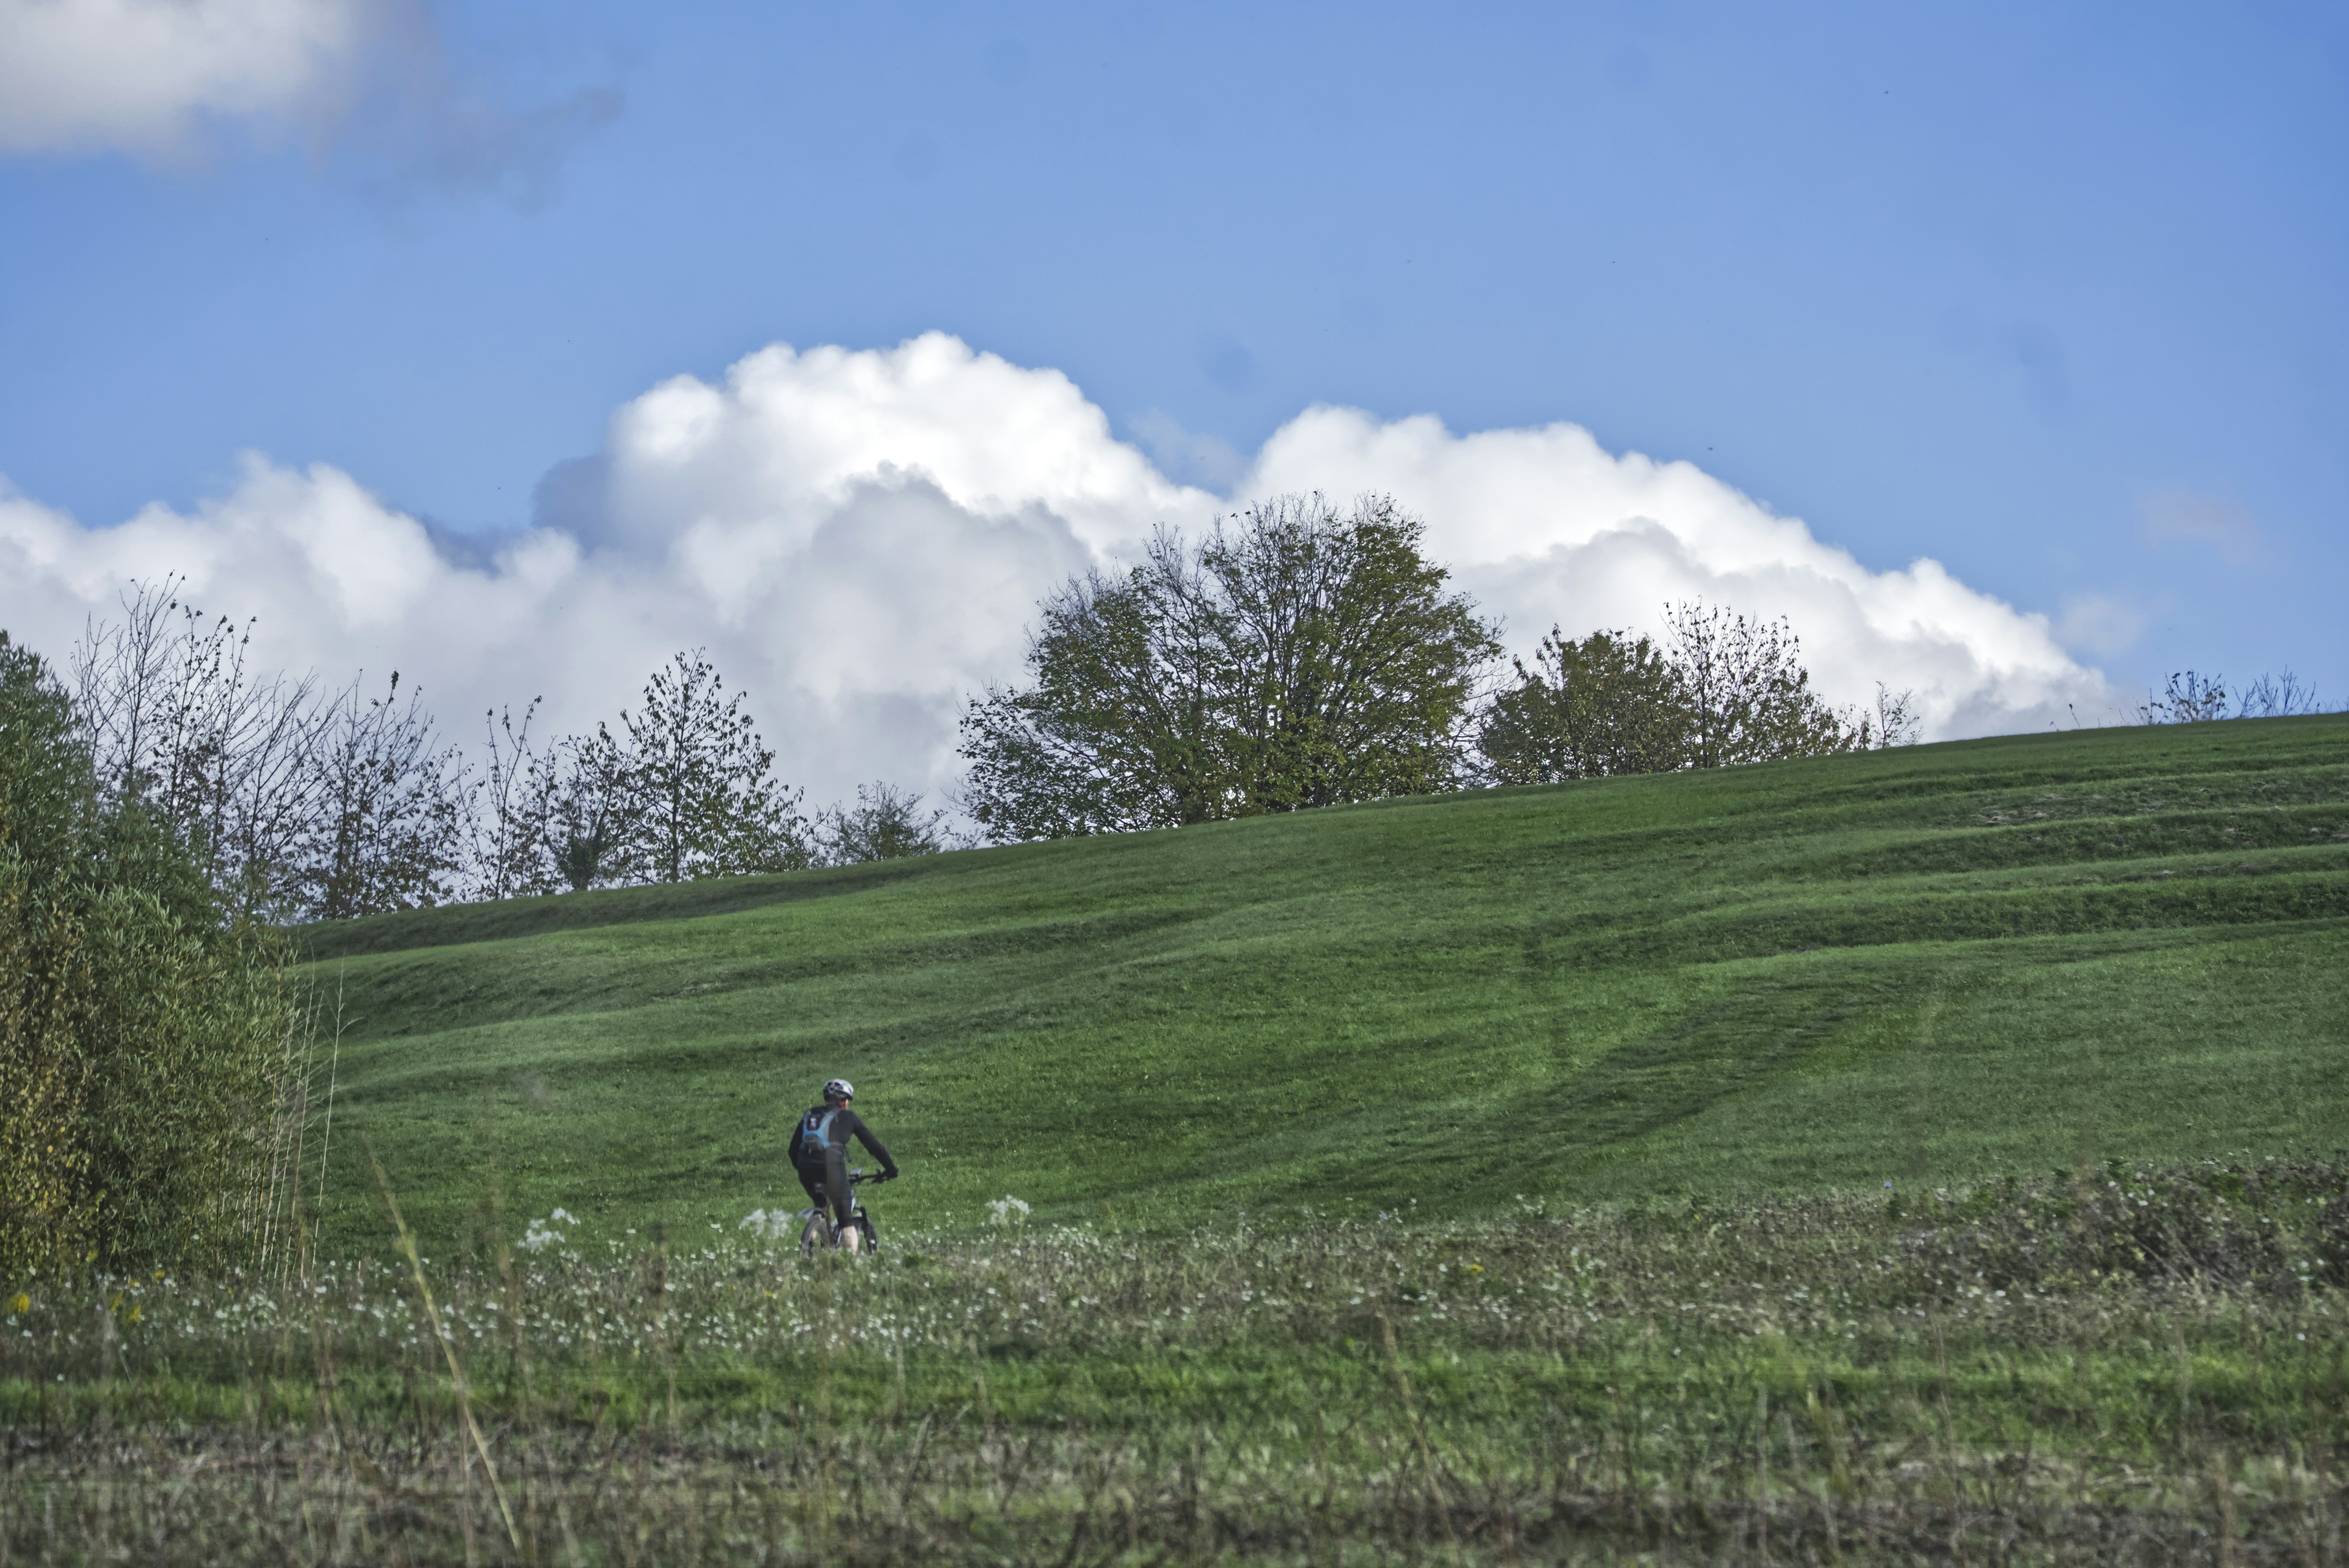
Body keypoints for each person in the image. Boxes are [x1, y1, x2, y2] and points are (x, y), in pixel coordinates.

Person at [787, 1078, 897, 1249]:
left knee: (821, 1206)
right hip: (832, 1167)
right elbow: (874, 1147)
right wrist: (891, 1169)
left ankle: (808, 1250)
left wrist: (805, 1169)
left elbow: (792, 1151)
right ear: (843, 1100)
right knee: (846, 1220)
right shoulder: (848, 1117)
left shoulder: (810, 1116)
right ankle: (849, 1268)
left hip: (806, 1169)